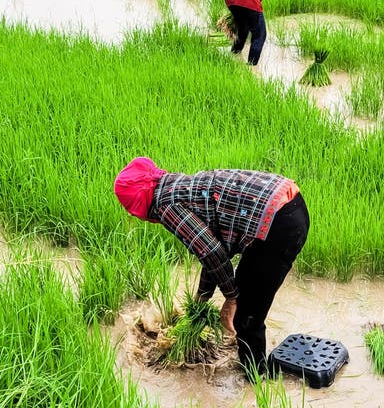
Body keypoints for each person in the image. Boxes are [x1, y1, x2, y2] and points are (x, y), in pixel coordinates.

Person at [114, 158, 310, 379]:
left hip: (279, 224)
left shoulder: (165, 206)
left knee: (246, 317)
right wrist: (202, 297)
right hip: (289, 204)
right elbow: (214, 246)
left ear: (137, 203)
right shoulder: (177, 186)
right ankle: (254, 368)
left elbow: (212, 253)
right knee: (245, 298)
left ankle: (256, 385)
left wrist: (231, 299)